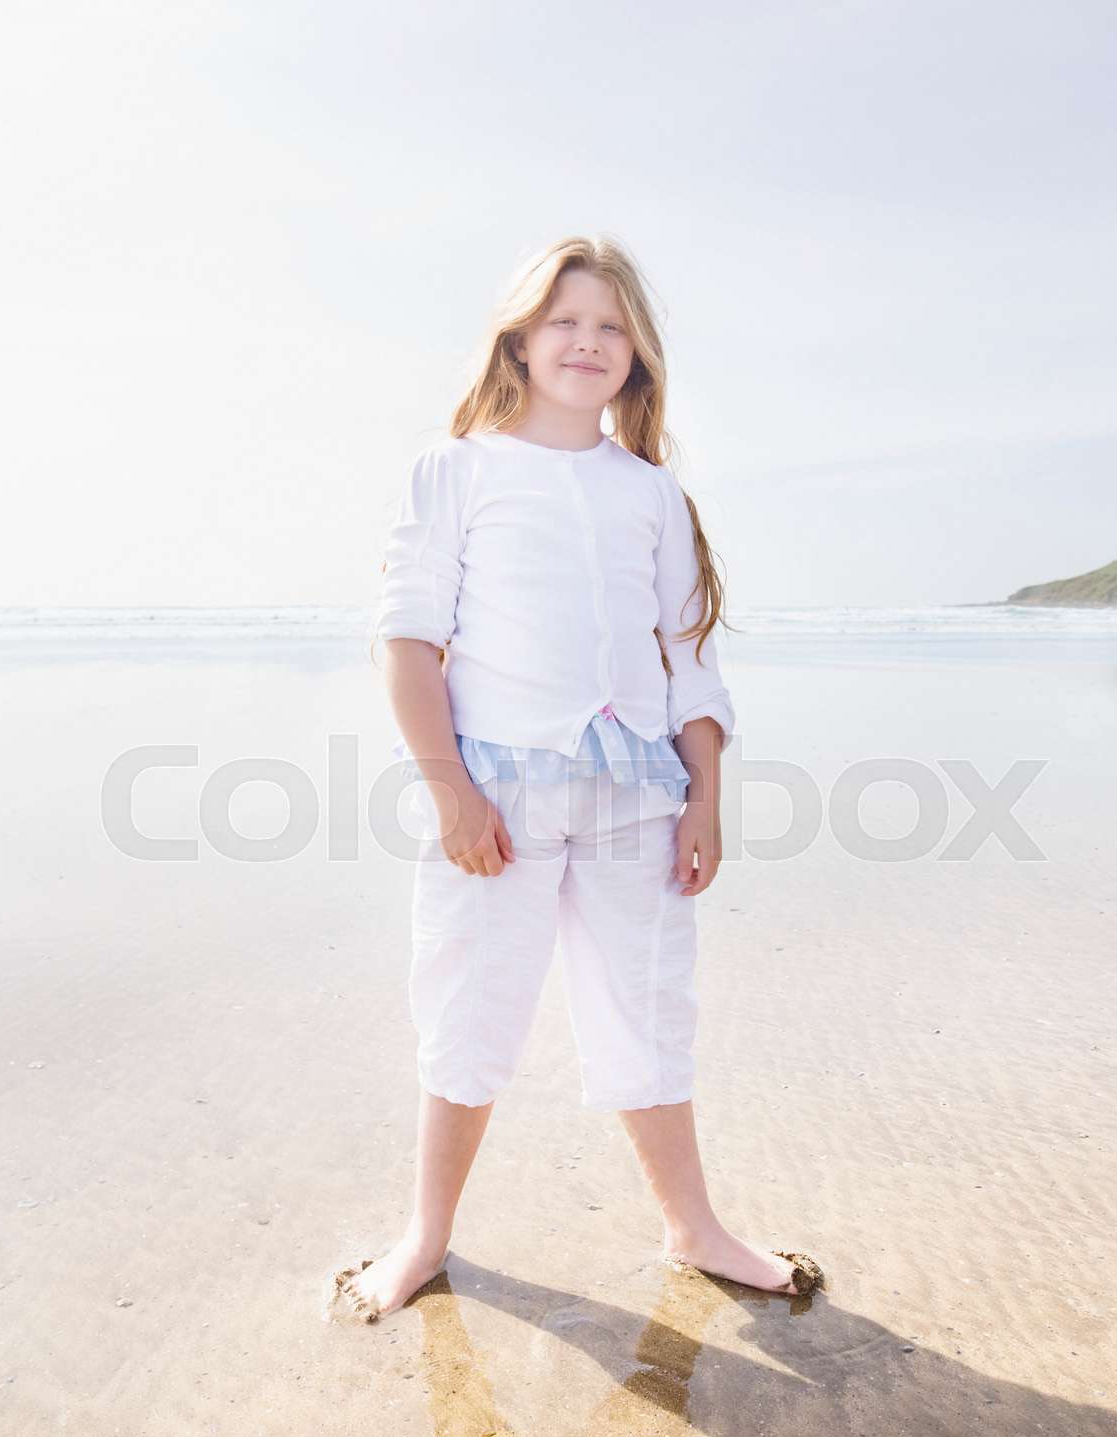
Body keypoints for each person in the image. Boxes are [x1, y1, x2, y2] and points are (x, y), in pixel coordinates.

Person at [330, 236, 823, 1325]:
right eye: (564, 321)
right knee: (467, 1003)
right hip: (492, 799)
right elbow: (406, 641)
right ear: (519, 338)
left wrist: (703, 799)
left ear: (637, 354)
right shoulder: (454, 468)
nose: (587, 342)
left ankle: (693, 1226)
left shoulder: (648, 493)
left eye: (610, 326)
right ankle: (425, 1234)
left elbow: (689, 663)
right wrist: (449, 791)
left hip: (635, 798)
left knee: (647, 1011)